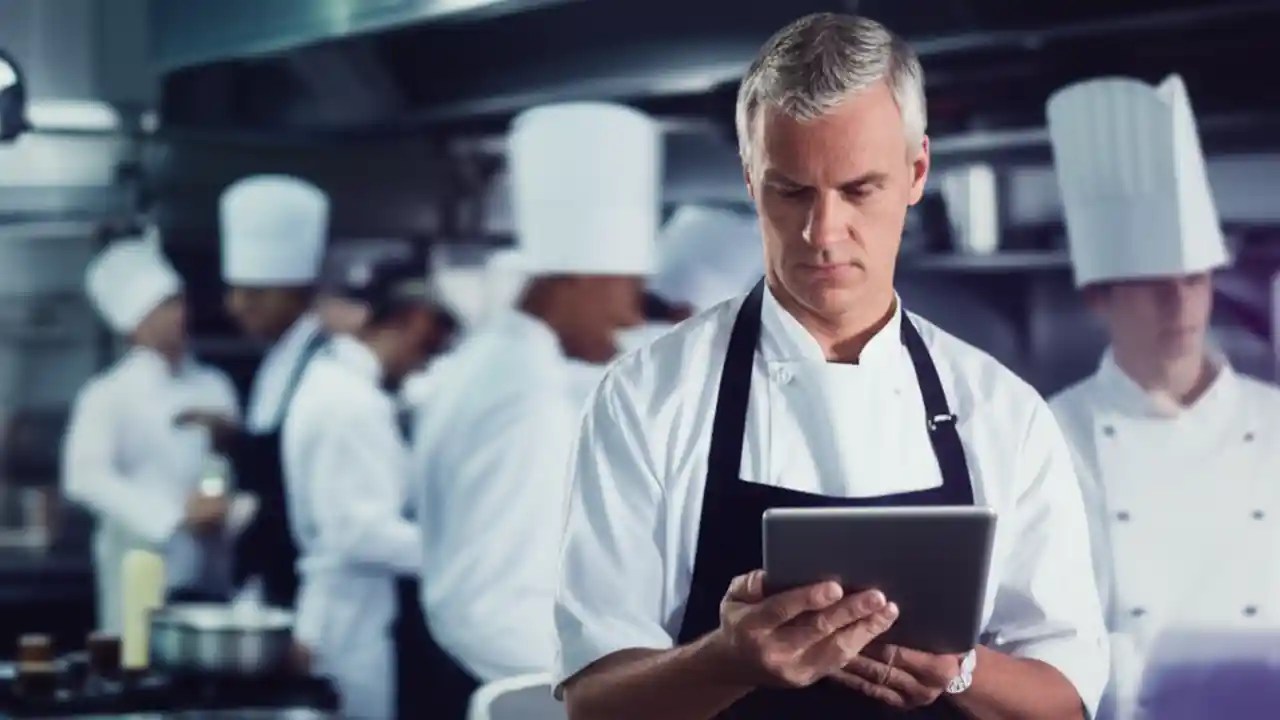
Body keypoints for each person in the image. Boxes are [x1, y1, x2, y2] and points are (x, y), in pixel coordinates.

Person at [554, 14, 1108, 720]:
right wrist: (723, 662)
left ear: (916, 174)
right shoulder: (645, 398)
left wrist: (961, 669)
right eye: (791, 191)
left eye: (858, 190)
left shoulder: (1003, 411)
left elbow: (1065, 701)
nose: (823, 233)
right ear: (751, 181)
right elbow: (593, 706)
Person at [1046, 74, 1280, 720]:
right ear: (1099, 295)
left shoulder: (1276, 423)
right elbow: (1045, 640)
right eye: (1152, 284)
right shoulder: (1051, 436)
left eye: (1194, 281)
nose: (1179, 305)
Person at [412, 101, 657, 718]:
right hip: (508, 683)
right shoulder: (522, 392)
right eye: (627, 287)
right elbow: (486, 601)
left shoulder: (500, 361)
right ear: (571, 278)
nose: (632, 316)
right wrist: (623, 677)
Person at [282, 255, 452, 719]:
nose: (423, 367)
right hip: (344, 628)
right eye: (427, 349)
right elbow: (358, 533)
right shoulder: (349, 405)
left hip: (351, 618)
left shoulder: (344, 388)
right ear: (410, 321)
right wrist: (462, 553)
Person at [63, 234, 240, 633]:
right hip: (139, 565)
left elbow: (221, 464)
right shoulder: (108, 394)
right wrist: (173, 517)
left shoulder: (215, 385)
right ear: (133, 324)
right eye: (163, 307)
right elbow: (83, 478)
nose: (178, 315)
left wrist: (219, 504)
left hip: (210, 571)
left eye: (178, 302)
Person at [179, 174, 330, 609]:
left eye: (255, 294)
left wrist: (237, 511)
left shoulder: (324, 373)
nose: (236, 307)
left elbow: (318, 500)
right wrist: (232, 442)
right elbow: (273, 457)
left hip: (307, 588)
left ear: (297, 293)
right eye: (235, 292)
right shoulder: (276, 359)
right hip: (269, 578)